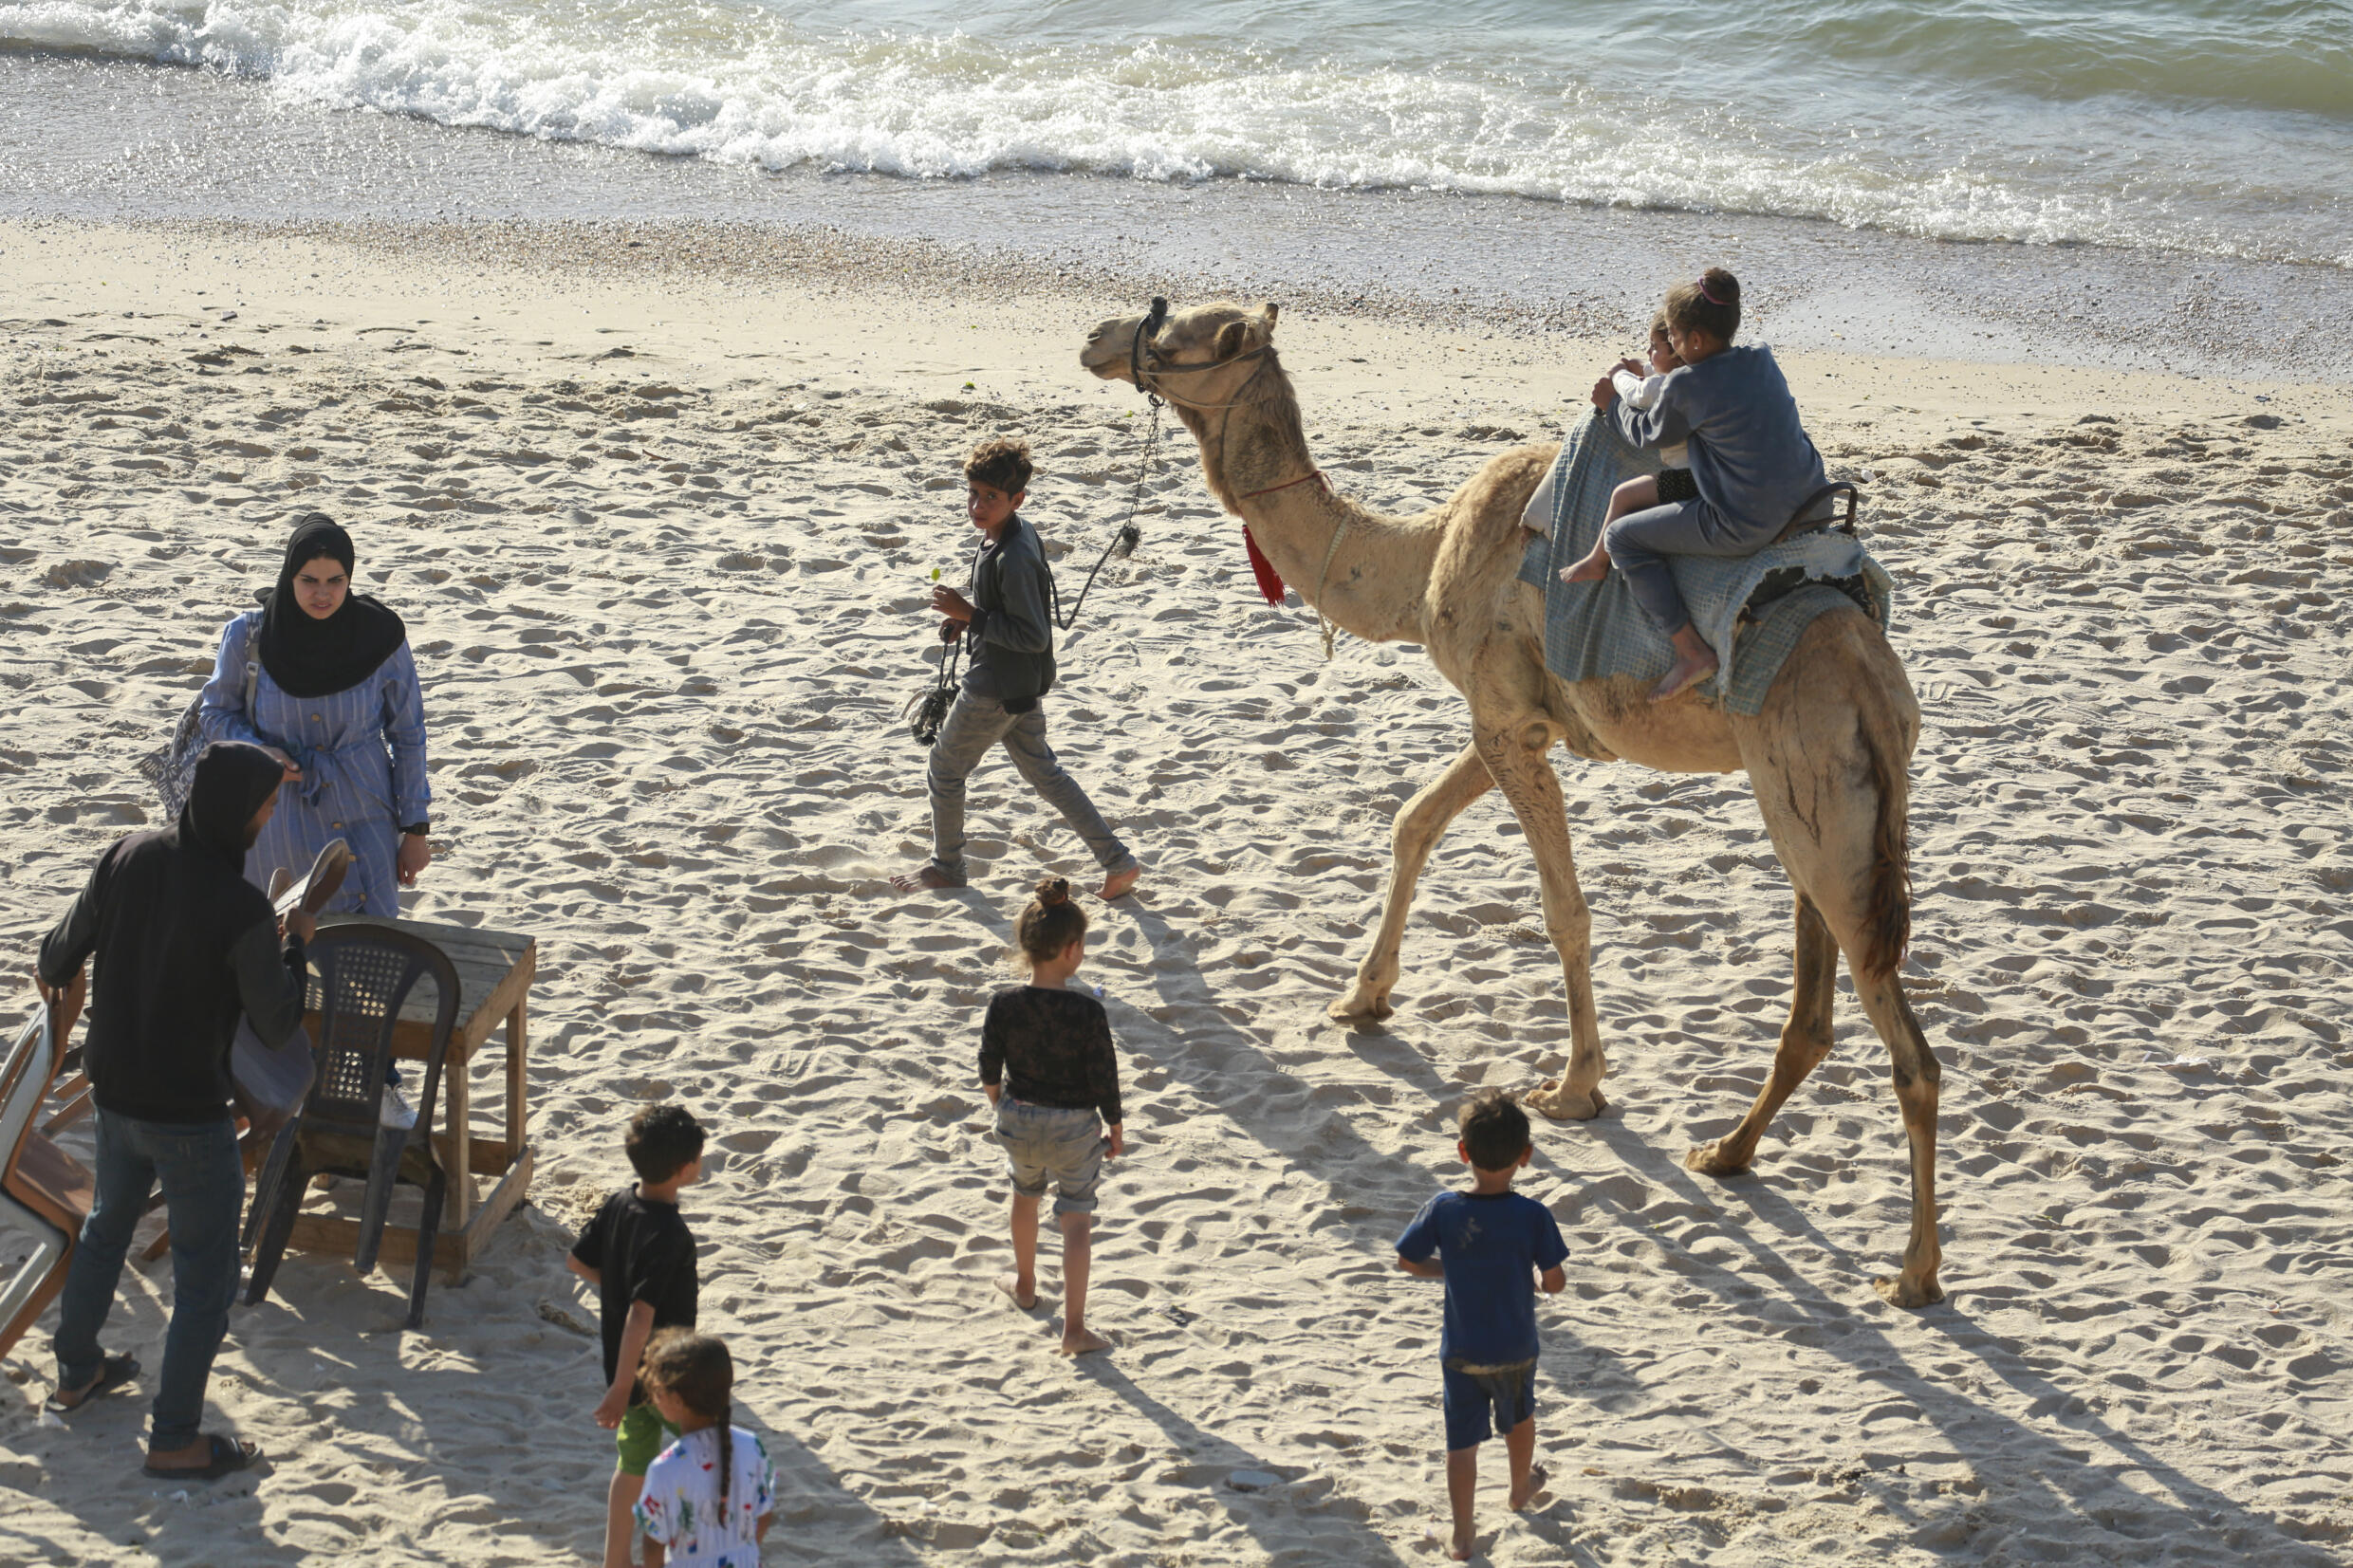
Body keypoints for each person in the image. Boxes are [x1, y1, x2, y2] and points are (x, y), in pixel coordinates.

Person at [32, 741, 313, 1481]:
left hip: (113, 1092)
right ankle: (177, 1437)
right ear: (238, 812)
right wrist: (298, 953)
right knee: (207, 1278)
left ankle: (76, 1371)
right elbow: (278, 1022)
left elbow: (56, 955)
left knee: (104, 1230)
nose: (268, 817)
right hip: (189, 1113)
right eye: (265, 806)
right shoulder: (242, 906)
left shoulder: (127, 855)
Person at [1559, 268, 1831, 703]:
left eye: (1679, 338)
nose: (1678, 348)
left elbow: (1647, 433)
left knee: (1622, 538)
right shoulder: (1761, 356)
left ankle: (1690, 653)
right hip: (1814, 500)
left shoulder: (1689, 383)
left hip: (1745, 521)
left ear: (1698, 341)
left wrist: (1611, 405)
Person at [890, 438, 1142, 900]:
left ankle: (946, 868)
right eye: (973, 493)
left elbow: (1033, 635)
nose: (977, 506)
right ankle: (1119, 863)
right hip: (1021, 683)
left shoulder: (1016, 556)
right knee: (1046, 775)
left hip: (996, 687)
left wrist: (973, 616)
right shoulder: (1007, 535)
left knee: (944, 770)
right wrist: (965, 621)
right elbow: (1005, 612)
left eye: (991, 498)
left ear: (1017, 499)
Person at [1396, 1091, 1568, 1561]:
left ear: (1463, 1152)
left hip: (1461, 1352)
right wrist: (1534, 1277)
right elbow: (1555, 1282)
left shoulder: (1444, 1209)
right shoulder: (1533, 1215)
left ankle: (1463, 1535)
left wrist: (1449, 1268)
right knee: (1520, 1420)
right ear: (1526, 1156)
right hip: (1515, 1348)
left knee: (1462, 1445)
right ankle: (1518, 1490)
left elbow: (1408, 1261)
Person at [979, 878, 1123, 1356]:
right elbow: (1104, 1075)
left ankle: (1024, 1286)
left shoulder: (1003, 1003)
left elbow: (988, 1065)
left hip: (1018, 1120)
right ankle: (1075, 1330)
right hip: (1073, 1127)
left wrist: (1000, 1104)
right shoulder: (1087, 1010)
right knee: (1076, 1221)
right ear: (1074, 949)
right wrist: (1115, 1126)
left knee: (1024, 1196)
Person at [568, 1104, 707, 1568]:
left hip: (628, 1372)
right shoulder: (670, 1234)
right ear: (685, 1169)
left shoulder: (618, 1204)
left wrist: (621, 1380)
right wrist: (623, 1387)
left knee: (630, 1467)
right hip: (667, 1375)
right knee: (709, 1455)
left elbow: (577, 1261)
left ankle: (614, 1560)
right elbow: (642, 1316)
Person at [633, 1330, 775, 1567]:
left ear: (677, 1400)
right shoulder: (752, 1446)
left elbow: (653, 1543)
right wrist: (746, 1553)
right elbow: (765, 1512)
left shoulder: (665, 1468)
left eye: (657, 1389)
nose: (653, 1396)